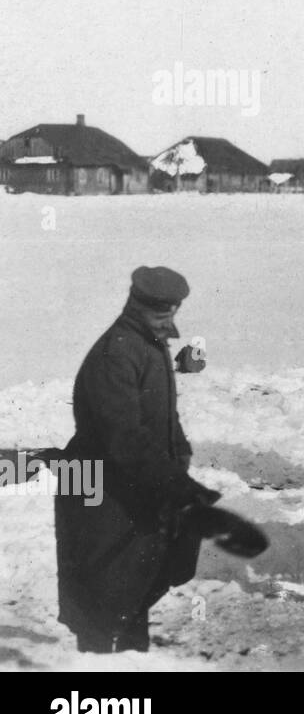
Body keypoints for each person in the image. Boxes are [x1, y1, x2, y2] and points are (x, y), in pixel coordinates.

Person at [55, 266, 221, 653]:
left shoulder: (149, 343)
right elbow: (123, 436)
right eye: (160, 310)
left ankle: (131, 659)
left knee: (138, 581)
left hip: (135, 486)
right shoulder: (118, 352)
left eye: (172, 310)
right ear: (136, 303)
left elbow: (164, 416)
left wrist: (180, 456)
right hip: (100, 489)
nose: (168, 318)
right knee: (103, 590)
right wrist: (176, 484)